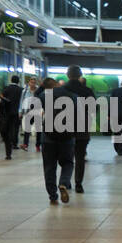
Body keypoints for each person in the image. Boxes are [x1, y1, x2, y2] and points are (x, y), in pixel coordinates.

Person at [36, 76, 75, 206]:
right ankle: (63, 183)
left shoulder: (44, 95)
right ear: (58, 84)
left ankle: (52, 195)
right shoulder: (71, 95)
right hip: (67, 136)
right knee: (68, 163)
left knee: (49, 166)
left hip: (48, 137)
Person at [60, 66, 95, 192]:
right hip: (82, 127)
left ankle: (65, 181)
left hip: (63, 127)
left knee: (66, 156)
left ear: (67, 75)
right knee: (80, 157)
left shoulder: (61, 90)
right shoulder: (87, 91)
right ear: (80, 75)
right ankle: (78, 184)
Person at [0, 73, 23, 159]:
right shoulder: (20, 89)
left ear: (11, 80)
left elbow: (1, 96)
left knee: (7, 127)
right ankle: (14, 143)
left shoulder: (7, 88)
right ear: (18, 81)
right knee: (15, 128)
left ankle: (9, 141)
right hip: (17, 112)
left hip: (7, 112)